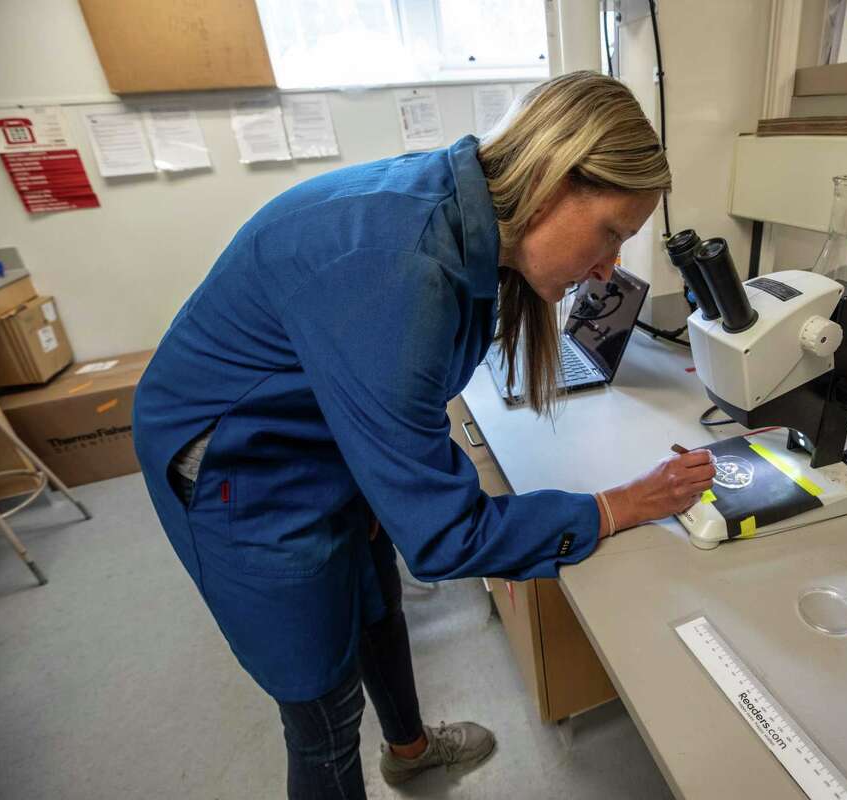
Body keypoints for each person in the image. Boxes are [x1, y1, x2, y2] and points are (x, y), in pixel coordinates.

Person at [133, 71, 715, 799]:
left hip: (322, 422)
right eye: (612, 234)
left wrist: (393, 483)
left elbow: (404, 398)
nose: (609, 268)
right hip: (240, 461)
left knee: (376, 599)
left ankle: (408, 752)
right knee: (322, 707)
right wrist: (615, 506)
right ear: (553, 181)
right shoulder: (400, 268)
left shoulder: (468, 219)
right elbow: (445, 538)